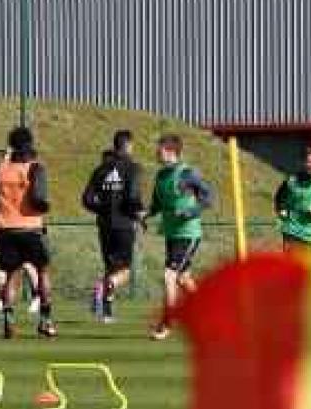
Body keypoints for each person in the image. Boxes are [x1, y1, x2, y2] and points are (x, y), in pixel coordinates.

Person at [0, 126, 57, 339]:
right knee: (43, 271)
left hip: (5, 229)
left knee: (12, 274)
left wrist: (1, 203)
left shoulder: (0, 168)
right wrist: (44, 206)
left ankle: (9, 318)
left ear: (11, 145)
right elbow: (39, 198)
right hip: (31, 228)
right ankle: (46, 321)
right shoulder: (35, 168)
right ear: (30, 144)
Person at [145, 134, 212, 340]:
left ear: (171, 152)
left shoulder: (188, 173)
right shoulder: (160, 176)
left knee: (169, 276)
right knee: (183, 278)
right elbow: (157, 203)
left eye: (159, 150)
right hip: (171, 232)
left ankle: (166, 323)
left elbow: (207, 197)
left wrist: (190, 212)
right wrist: (145, 215)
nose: (156, 153)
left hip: (188, 233)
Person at [81, 129, 145, 322]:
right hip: (124, 224)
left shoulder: (100, 170)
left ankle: (106, 312)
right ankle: (102, 287)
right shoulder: (132, 168)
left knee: (110, 267)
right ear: (128, 145)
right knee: (124, 271)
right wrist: (139, 213)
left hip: (104, 225)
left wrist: (102, 210)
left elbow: (86, 199)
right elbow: (132, 197)